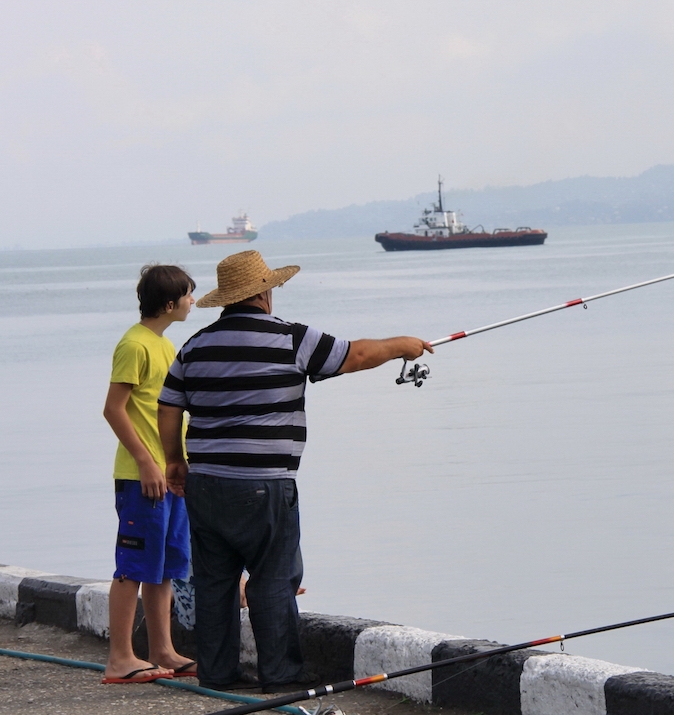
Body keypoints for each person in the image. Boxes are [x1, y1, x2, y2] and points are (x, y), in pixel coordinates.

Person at [157, 250, 432, 692]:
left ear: (227, 299)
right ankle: (280, 676)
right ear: (264, 292)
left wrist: (175, 461)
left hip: (205, 485)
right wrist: (403, 344)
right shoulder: (291, 338)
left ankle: (219, 674)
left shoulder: (195, 346)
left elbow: (168, 407)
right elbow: (356, 355)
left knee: (214, 583)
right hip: (266, 486)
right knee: (273, 579)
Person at [101, 264, 198, 684]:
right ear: (170, 303)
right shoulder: (134, 344)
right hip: (143, 477)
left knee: (165, 566)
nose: (194, 302)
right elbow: (114, 409)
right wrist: (144, 462)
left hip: (170, 476)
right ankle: (120, 658)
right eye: (190, 296)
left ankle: (163, 650)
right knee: (133, 565)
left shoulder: (165, 345)